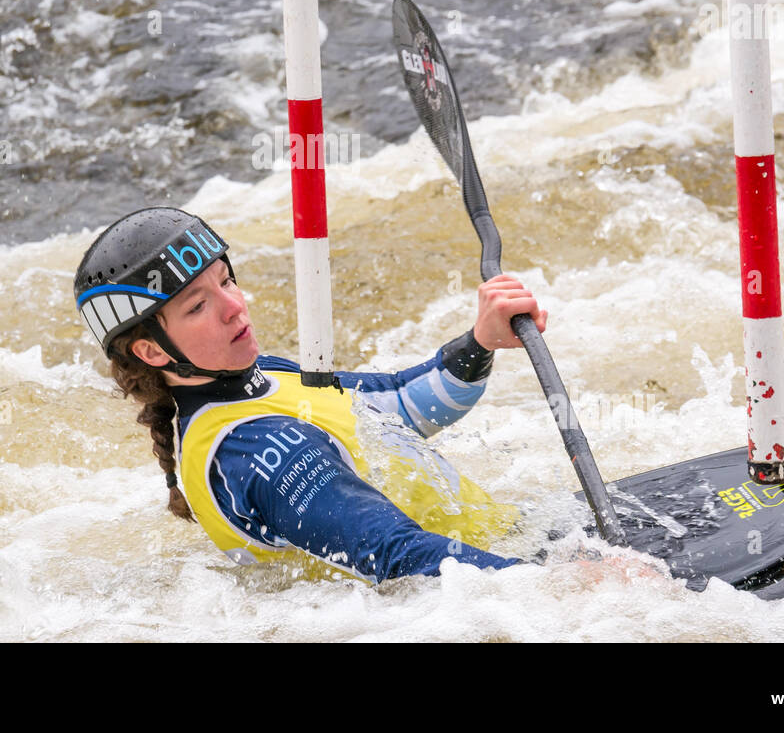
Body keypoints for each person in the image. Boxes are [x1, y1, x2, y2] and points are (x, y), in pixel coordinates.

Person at [74, 206, 548, 583]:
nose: (234, 307)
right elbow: (397, 556)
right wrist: (560, 584)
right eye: (199, 306)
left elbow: (404, 405)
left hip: (504, 551)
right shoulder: (256, 451)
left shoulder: (267, 378)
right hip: (483, 586)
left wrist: (481, 341)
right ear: (153, 351)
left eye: (226, 281)